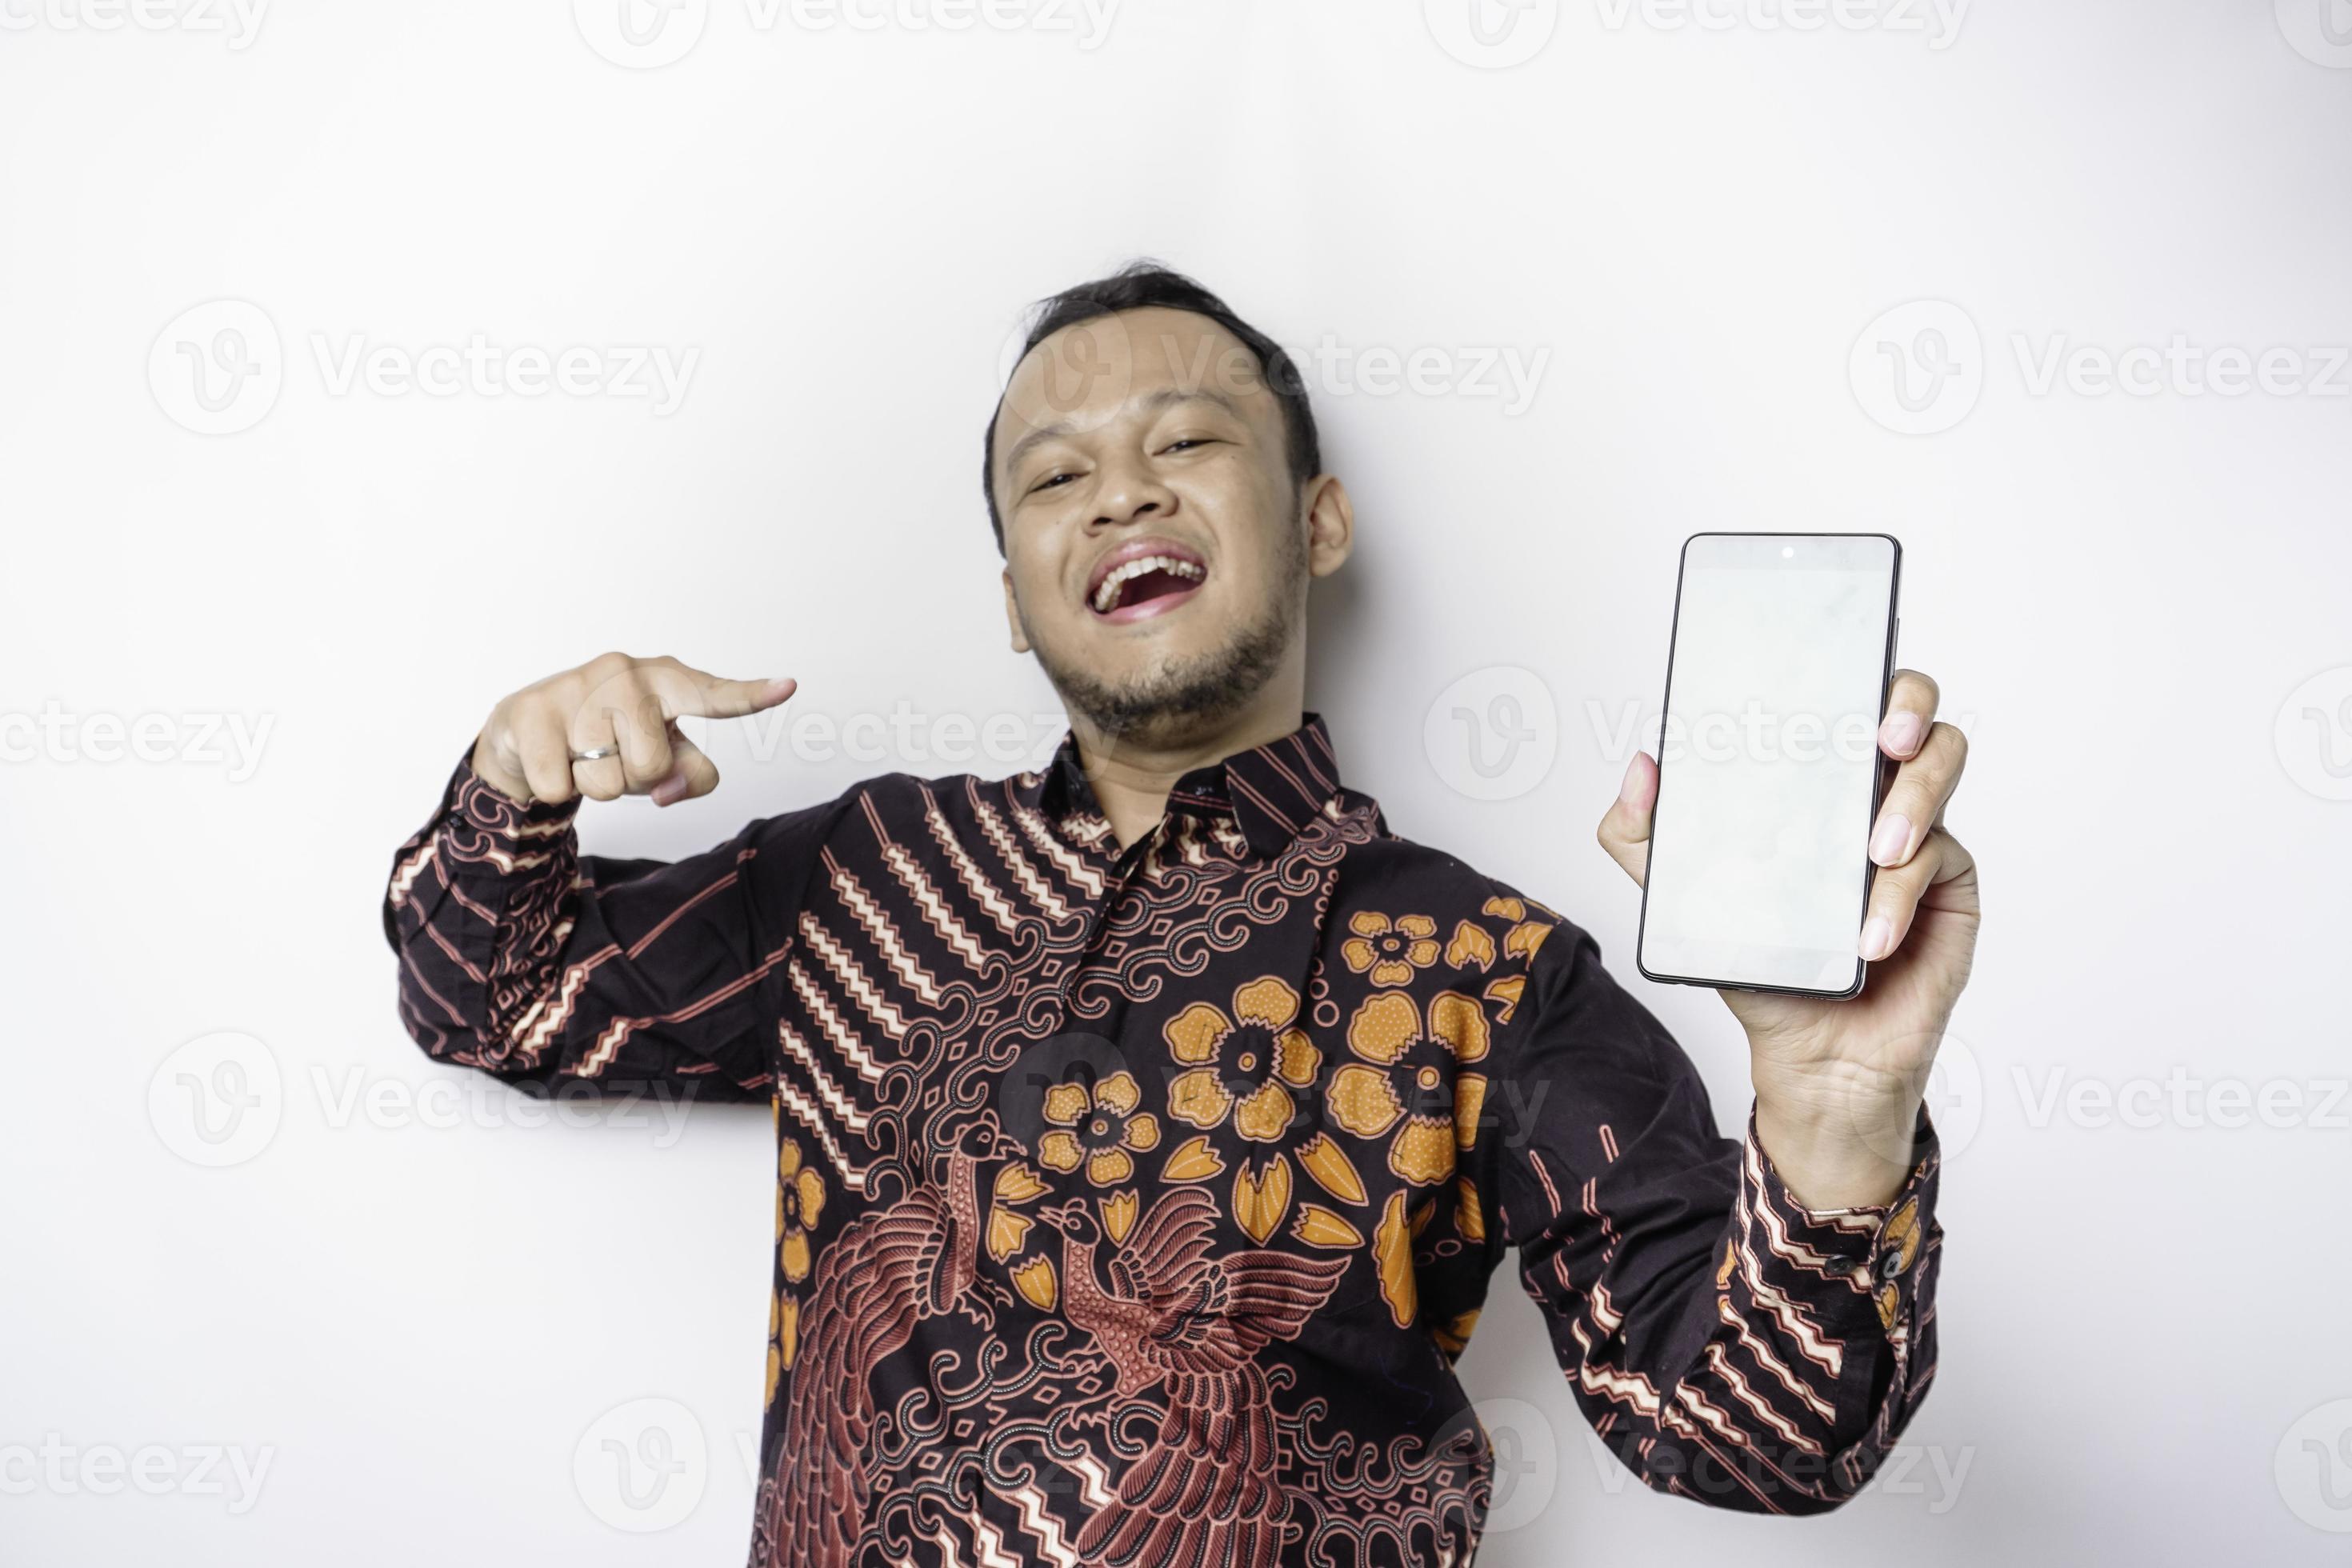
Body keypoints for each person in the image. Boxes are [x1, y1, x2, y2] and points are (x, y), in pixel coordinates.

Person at [382, 263, 1975, 1567]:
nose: (1118, 491)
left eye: (1187, 443)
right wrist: (513, 781)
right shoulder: (866, 877)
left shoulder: (1492, 975)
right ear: (1014, 593)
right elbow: (489, 997)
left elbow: (1754, 1441)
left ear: (1320, 520)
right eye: (1055, 475)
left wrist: (1838, 1121)